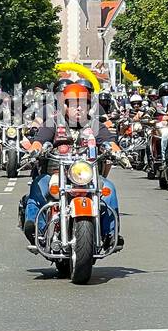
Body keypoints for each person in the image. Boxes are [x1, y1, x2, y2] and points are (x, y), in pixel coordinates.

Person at [19, 81, 129, 245]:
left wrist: (118, 153)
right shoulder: (53, 124)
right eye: (73, 104)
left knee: (109, 189)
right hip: (55, 175)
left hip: (87, 177)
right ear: (64, 106)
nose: (79, 108)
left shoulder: (95, 126)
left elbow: (109, 142)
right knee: (38, 185)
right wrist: (34, 151)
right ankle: (36, 228)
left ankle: (110, 234)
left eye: (83, 104)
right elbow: (39, 141)